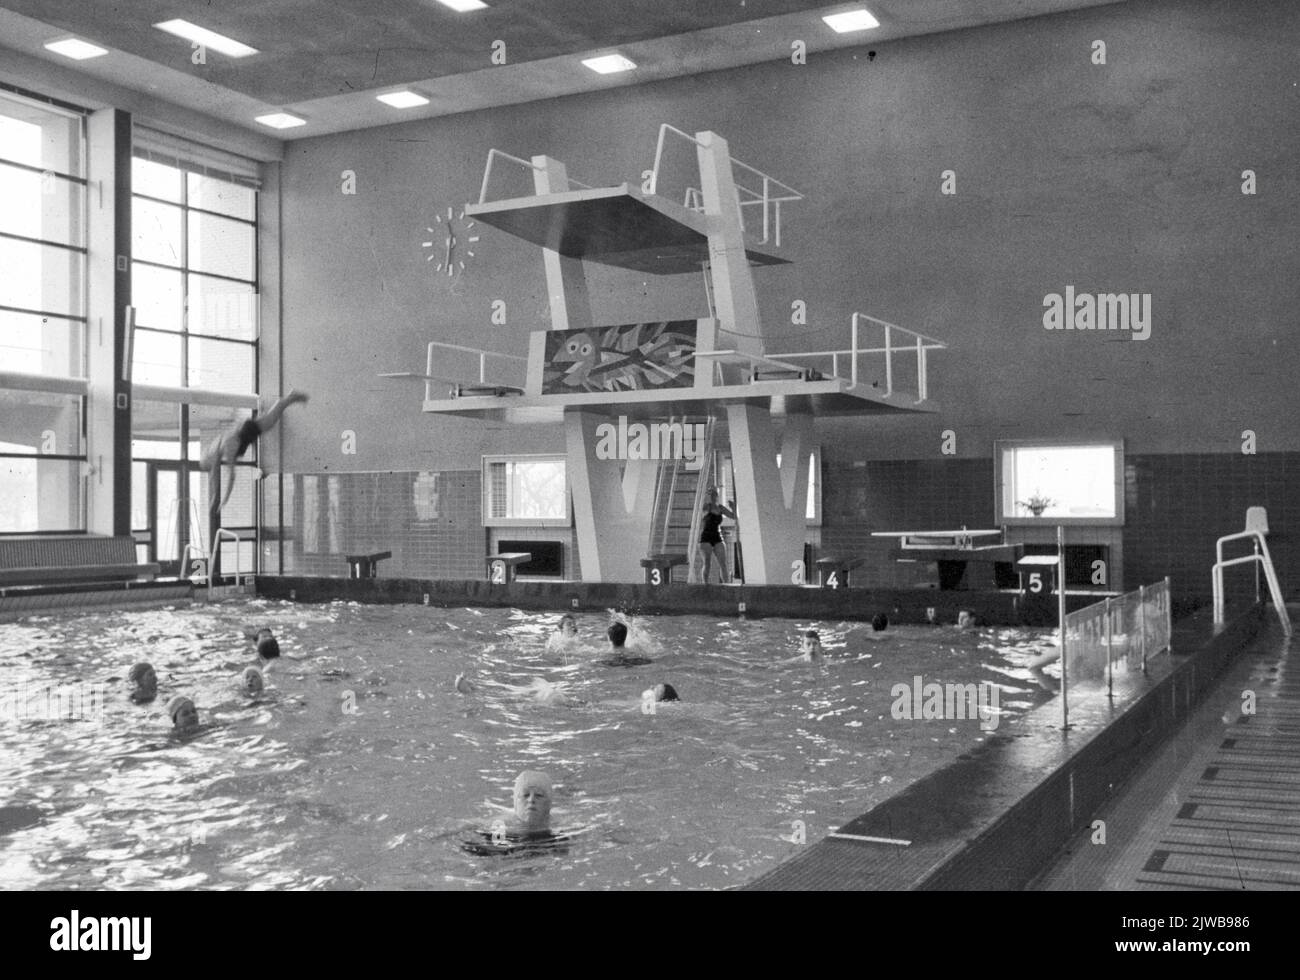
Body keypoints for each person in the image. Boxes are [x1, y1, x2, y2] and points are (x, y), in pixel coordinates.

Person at [201, 390, 309, 517]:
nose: (214, 468)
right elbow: (214, 476)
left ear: (211, 459)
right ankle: (289, 398)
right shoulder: (216, 448)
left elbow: (231, 477)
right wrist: (215, 498)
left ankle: (291, 397)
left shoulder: (226, 449)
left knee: (273, 418)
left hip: (248, 430)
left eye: (211, 465)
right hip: (246, 430)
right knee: (272, 417)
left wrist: (224, 500)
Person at [698, 486, 737, 584]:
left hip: (717, 536)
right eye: (711, 494)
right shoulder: (706, 506)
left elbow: (734, 517)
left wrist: (733, 507)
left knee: (723, 564)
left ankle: (727, 586)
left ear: (717, 496)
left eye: (715, 494)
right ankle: (704, 584)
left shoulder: (721, 508)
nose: (713, 496)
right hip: (706, 537)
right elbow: (701, 513)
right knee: (707, 563)